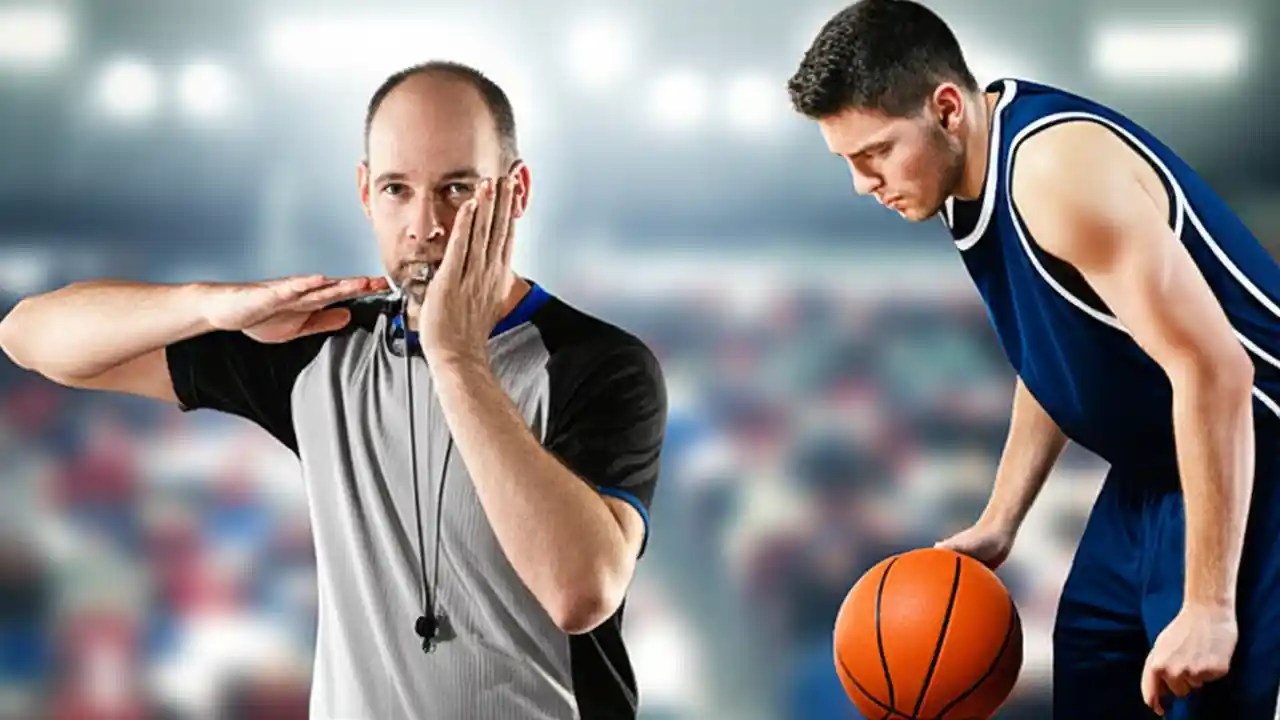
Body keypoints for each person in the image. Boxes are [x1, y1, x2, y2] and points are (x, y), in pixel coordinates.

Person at [0, 61, 667, 719]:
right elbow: (31, 338)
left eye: (458, 188)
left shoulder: (599, 363)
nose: (425, 224)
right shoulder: (322, 345)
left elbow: (580, 591)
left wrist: (456, 359)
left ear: (515, 192)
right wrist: (209, 305)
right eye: (397, 189)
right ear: (364, 191)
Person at [787, 1, 1280, 717]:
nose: (865, 183)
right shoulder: (967, 182)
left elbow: (1217, 371)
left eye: (876, 153)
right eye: (849, 162)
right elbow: (1056, 351)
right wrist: (1001, 518)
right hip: (1156, 472)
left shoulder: (1052, 174)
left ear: (947, 108)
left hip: (1250, 455)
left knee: (1204, 689)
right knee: (1092, 669)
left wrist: (1208, 603)